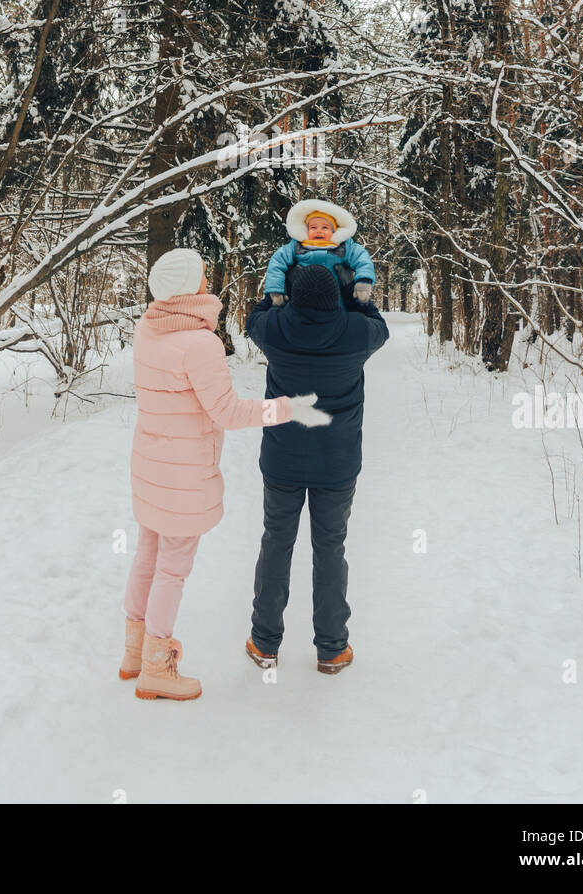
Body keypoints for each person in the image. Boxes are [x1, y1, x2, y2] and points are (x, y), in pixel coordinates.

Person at [119, 246, 329, 701]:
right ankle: (157, 666)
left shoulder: (147, 328)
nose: (206, 281)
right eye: (200, 276)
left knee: (147, 557)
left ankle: (135, 652)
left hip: (151, 467)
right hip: (183, 475)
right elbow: (228, 411)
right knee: (172, 568)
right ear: (186, 286)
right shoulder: (200, 343)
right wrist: (287, 408)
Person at [245, 263, 389, 674]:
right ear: (338, 296)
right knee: (330, 548)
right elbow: (377, 321)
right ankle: (332, 648)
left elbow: (255, 316)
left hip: (281, 460)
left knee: (276, 543)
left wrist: (277, 292)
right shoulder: (356, 334)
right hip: (337, 464)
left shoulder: (274, 331)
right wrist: (355, 296)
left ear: (292, 295)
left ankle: (264, 642)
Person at [263, 199, 376, 310]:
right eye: (313, 227)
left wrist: (363, 281)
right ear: (306, 230)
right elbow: (277, 263)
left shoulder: (343, 247)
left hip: (337, 305)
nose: (318, 231)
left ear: (334, 231)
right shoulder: (297, 246)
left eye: (325, 227)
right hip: (300, 301)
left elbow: (362, 259)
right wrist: (276, 290)